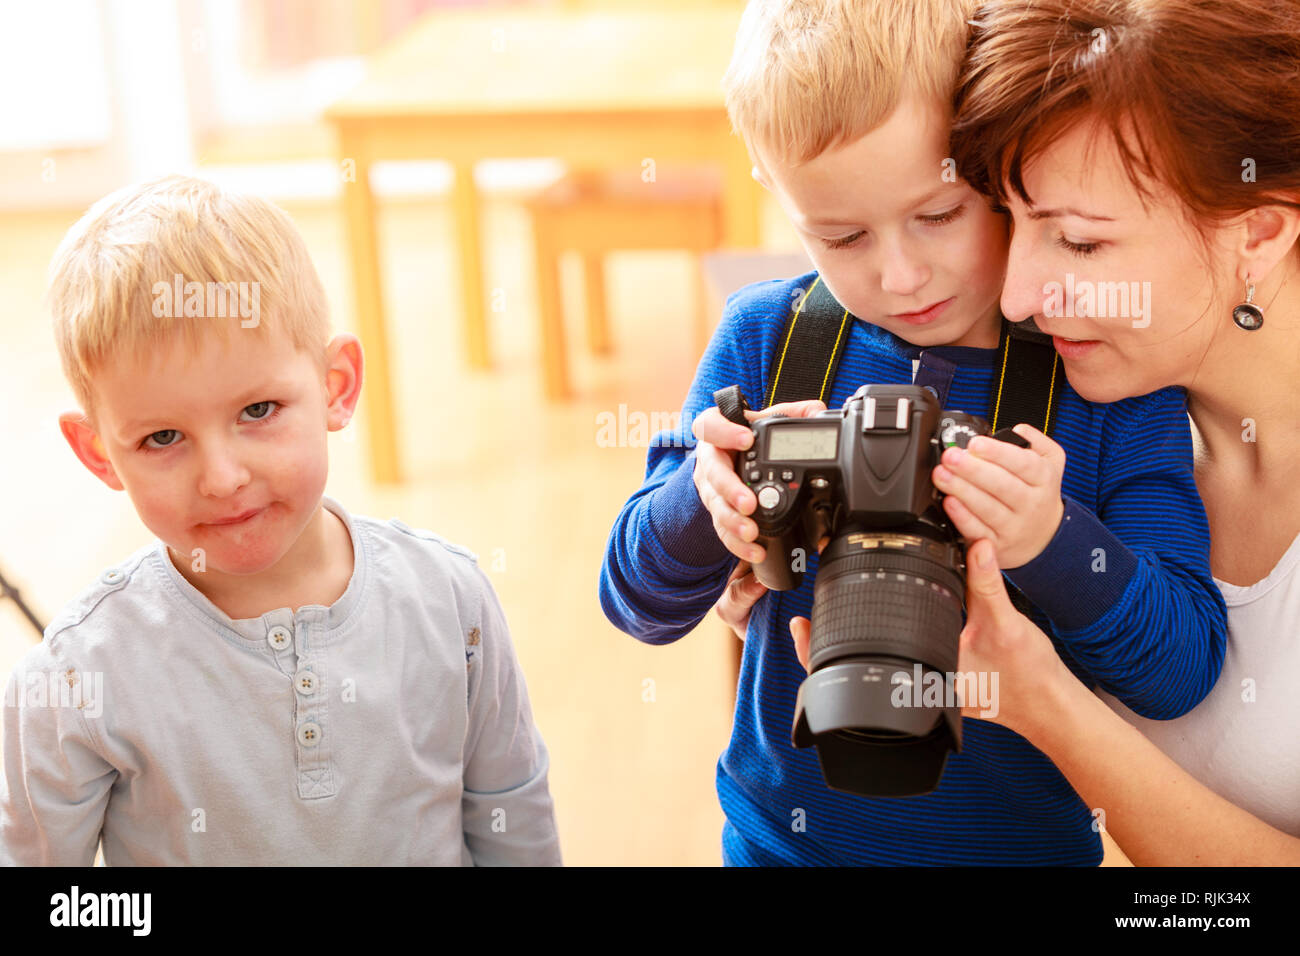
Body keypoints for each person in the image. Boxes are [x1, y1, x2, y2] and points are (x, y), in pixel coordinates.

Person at [600, 0, 1227, 865]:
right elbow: (637, 603)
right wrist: (706, 502)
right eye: (841, 235)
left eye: (939, 215)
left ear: (997, 163)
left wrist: (1050, 539)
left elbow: (1182, 669)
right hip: (781, 842)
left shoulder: (1100, 376)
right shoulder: (766, 343)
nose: (900, 274)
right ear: (775, 196)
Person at [0, 175, 561, 866]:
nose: (222, 478)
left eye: (257, 412)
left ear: (336, 386)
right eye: (163, 439)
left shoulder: (451, 599)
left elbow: (513, 816)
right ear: (98, 453)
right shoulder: (76, 677)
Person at [943, 0, 1300, 863]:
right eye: (1009, 220)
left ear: (1258, 232)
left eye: (1080, 244)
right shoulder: (1078, 406)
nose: (1018, 297)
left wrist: (1049, 708)